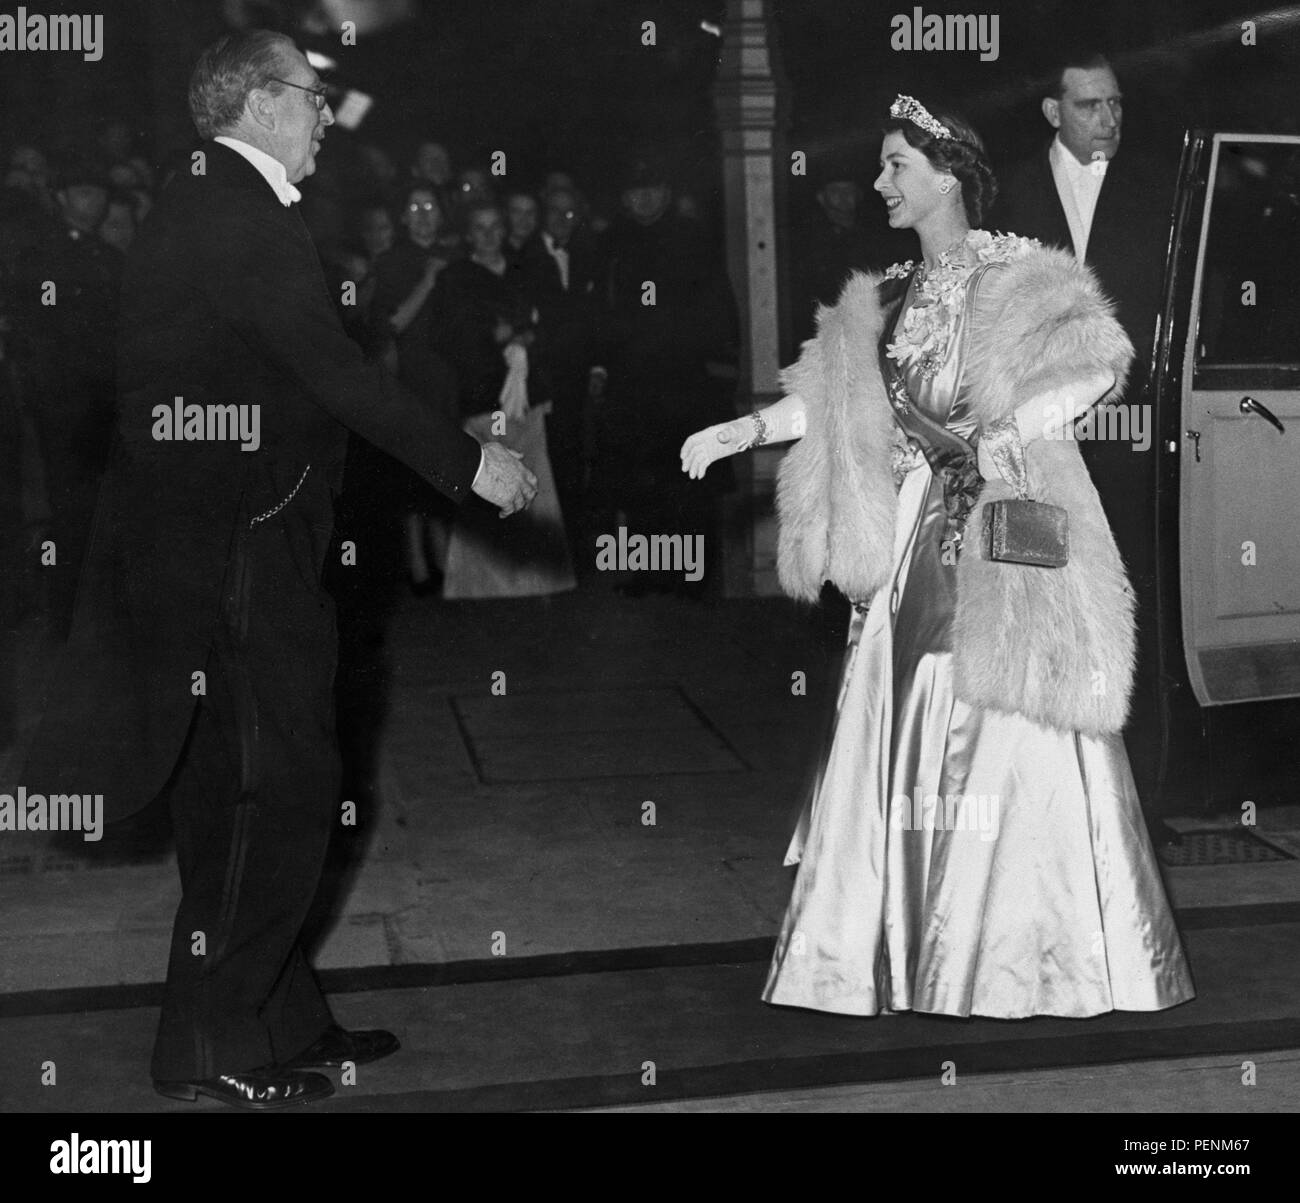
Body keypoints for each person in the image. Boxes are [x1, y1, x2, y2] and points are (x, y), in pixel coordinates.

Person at [23, 30, 537, 1110]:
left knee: (244, 790)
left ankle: (270, 1016)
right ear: (259, 102)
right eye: (312, 100)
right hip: (239, 546)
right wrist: (470, 465)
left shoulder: (211, 198)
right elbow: (333, 372)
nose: (324, 122)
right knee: (282, 786)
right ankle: (214, 1040)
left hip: (226, 539)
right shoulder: (233, 211)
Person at [681, 96, 1194, 1019]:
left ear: (946, 174)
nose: (880, 183)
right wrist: (743, 429)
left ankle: (1036, 950)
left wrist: (1018, 421)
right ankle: (917, 944)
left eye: (895, 167)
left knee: (1021, 719)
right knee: (908, 703)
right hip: (915, 535)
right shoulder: (880, 297)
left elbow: (1102, 360)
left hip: (1007, 528)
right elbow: (833, 404)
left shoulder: (1019, 272)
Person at [993, 53, 1179, 830]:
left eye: (1116, 104)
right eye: (1090, 105)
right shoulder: (1004, 190)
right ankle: (1042, 797)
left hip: (1128, 432)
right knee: (1037, 592)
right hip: (1038, 437)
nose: (1109, 119)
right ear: (1052, 110)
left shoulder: (1157, 188)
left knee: (1131, 597)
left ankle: (1137, 800)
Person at [596, 152, 738, 597]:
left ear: (668, 192)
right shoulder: (611, 244)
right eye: (635, 191)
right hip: (633, 383)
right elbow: (602, 311)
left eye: (652, 188)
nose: (643, 198)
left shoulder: (693, 239)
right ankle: (648, 573)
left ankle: (695, 576)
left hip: (686, 381)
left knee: (691, 480)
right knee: (640, 481)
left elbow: (718, 307)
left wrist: (718, 367)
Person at [434, 201, 574, 597]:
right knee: (489, 484)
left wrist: (529, 339)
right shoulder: (455, 276)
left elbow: (557, 324)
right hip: (483, 398)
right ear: (468, 234)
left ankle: (539, 578)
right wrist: (490, 339)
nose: (489, 235)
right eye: (480, 228)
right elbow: (446, 337)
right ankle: (483, 585)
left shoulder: (525, 270)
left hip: (528, 395)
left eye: (496, 226)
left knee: (534, 482)